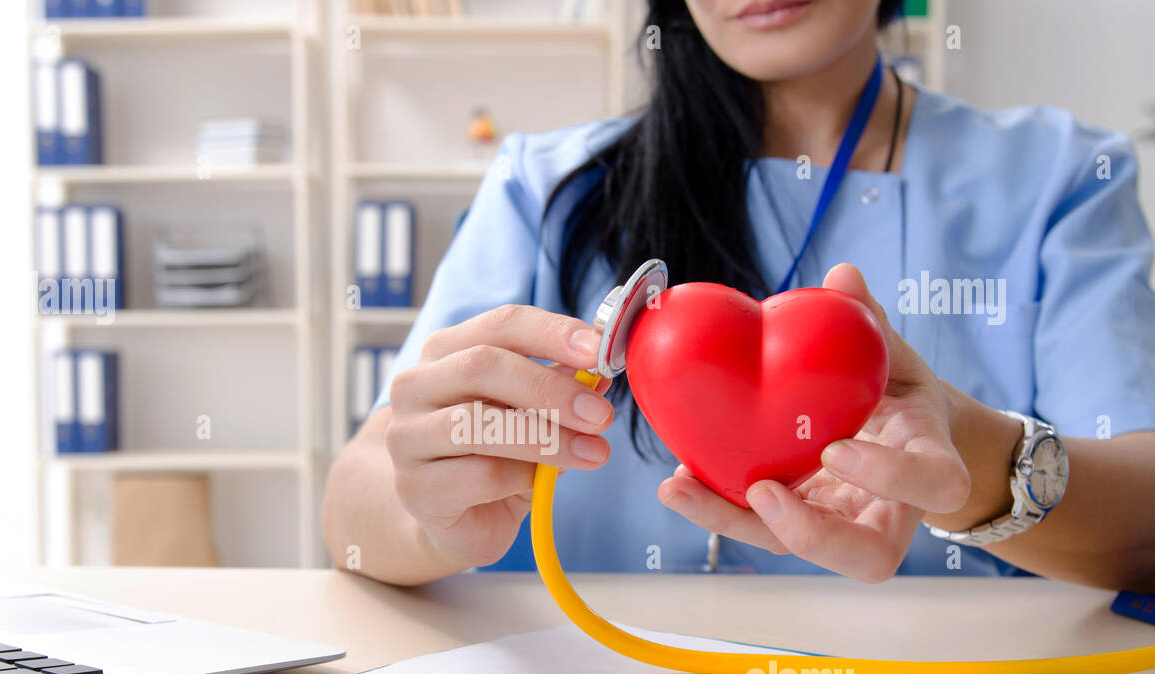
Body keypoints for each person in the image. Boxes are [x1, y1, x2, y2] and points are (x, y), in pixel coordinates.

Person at [323, 0, 1155, 592]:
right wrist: (426, 512)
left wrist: (966, 456)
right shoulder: (544, 187)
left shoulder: (1057, 179)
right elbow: (352, 509)